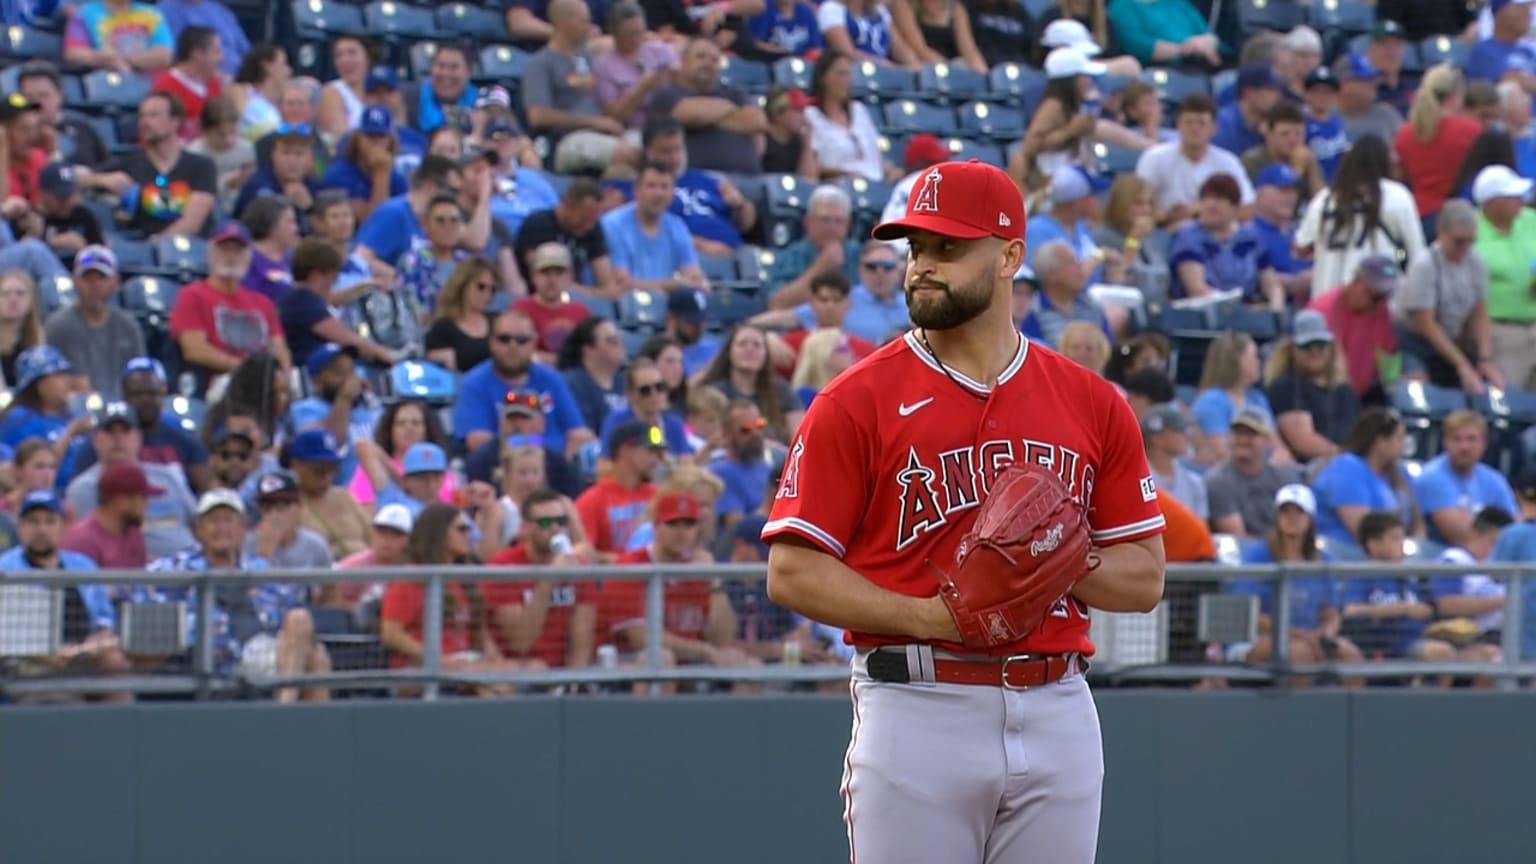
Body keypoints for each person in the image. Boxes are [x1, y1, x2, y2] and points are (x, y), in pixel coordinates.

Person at [762, 160, 1166, 862]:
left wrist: (1059, 559)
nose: (922, 266)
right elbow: (791, 571)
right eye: (916, 248)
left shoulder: (1092, 402)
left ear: (1010, 256)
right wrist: (932, 617)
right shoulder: (855, 400)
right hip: (919, 703)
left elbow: (1145, 578)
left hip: (1057, 703)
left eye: (949, 248)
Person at [1392, 198, 1502, 393]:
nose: (1465, 248)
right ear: (1441, 232)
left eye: (1471, 241)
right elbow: (1424, 323)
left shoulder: (1475, 262)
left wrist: (1485, 359)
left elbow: (1479, 311)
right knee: (1422, 386)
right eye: (1459, 241)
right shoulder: (1424, 265)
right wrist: (1461, 364)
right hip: (1416, 343)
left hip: (1452, 339)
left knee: (1481, 386)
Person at [42, 246, 145, 400]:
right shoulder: (56, 326)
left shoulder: (129, 327)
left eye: (102, 277)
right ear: (75, 280)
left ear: (116, 282)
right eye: (87, 278)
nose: (94, 284)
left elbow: (138, 378)